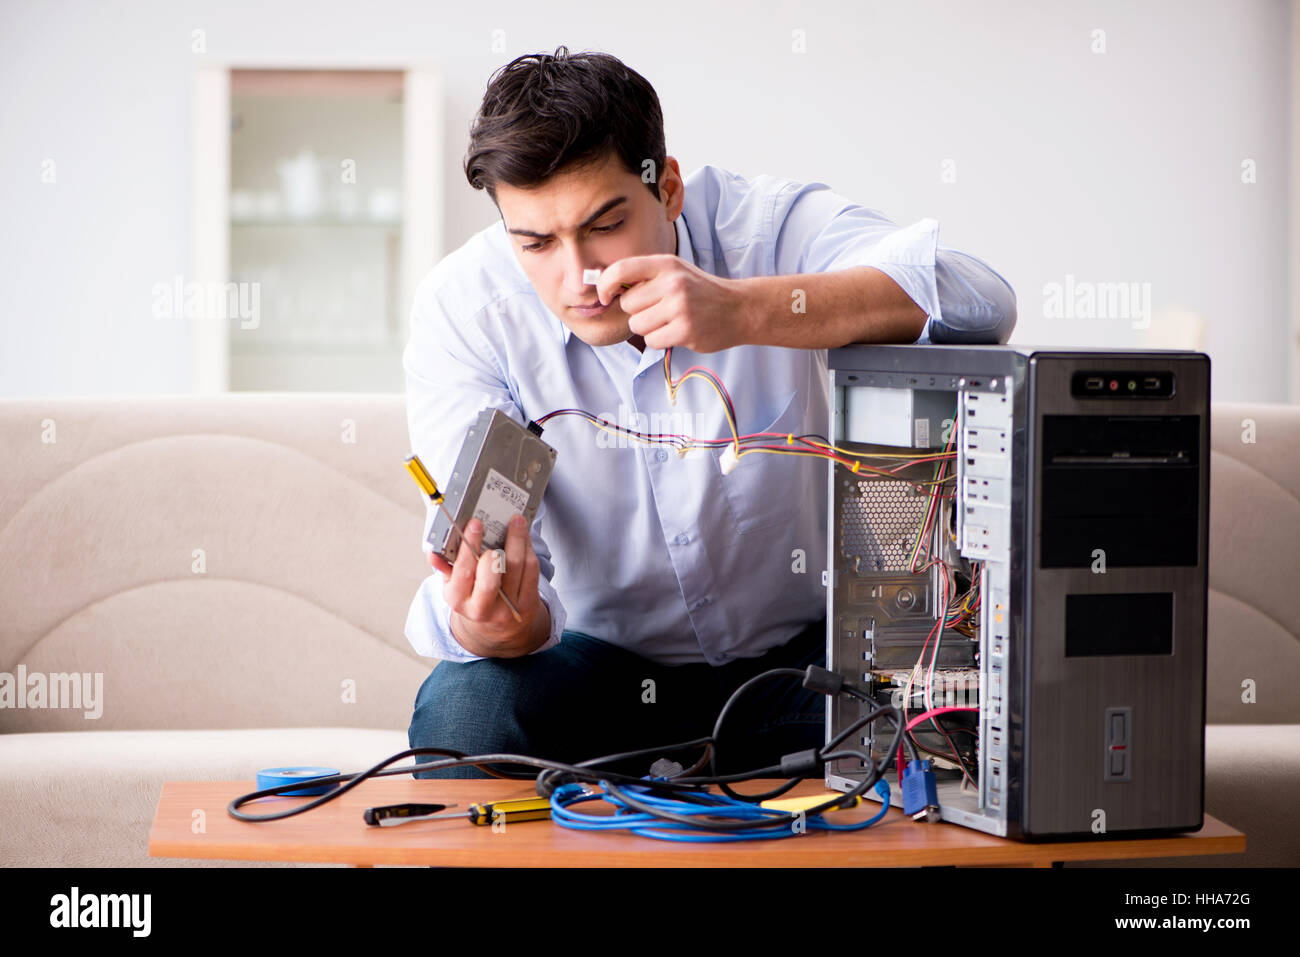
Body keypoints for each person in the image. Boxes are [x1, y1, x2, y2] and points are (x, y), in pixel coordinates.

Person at [404, 46, 1016, 779]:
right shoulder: (467, 309)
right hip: (596, 673)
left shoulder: (772, 230)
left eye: (604, 224)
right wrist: (506, 624)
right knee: (462, 710)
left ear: (666, 187)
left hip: (803, 671)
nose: (579, 278)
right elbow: (498, 576)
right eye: (535, 241)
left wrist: (749, 308)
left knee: (953, 710)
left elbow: (981, 300)